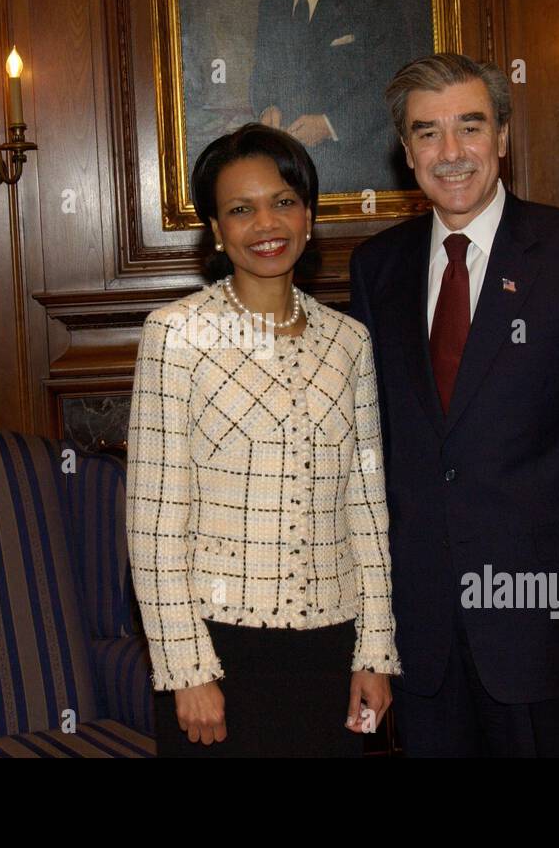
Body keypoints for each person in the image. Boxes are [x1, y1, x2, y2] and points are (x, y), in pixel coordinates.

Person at [348, 53, 559, 757]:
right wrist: (370, 631)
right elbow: (372, 460)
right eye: (427, 133)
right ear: (406, 152)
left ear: (504, 137)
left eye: (470, 127)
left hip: (547, 632)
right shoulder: (377, 269)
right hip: (421, 639)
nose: (450, 153)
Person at [127, 122, 401, 757]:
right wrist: (187, 669)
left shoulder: (348, 342)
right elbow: (154, 522)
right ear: (218, 232)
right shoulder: (176, 336)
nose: (266, 224)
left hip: (333, 651)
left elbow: (366, 510)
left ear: (308, 216)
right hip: (221, 651)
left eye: (283, 202)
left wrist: (375, 652)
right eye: (241, 210)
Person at [250, 0, 411, 193]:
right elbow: (262, 73)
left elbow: (395, 86)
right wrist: (267, 108)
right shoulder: (271, 1)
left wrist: (329, 125)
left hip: (357, 170)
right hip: (287, 176)